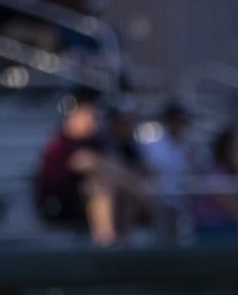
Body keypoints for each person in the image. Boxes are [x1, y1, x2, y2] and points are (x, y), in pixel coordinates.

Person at [34, 94, 137, 246]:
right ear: (73, 116)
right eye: (87, 114)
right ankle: (105, 241)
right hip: (60, 203)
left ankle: (125, 243)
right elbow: (74, 168)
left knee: (117, 185)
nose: (92, 120)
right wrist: (98, 163)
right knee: (100, 184)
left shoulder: (96, 142)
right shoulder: (59, 144)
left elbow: (112, 163)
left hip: (93, 200)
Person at [138, 100, 196, 242]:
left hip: (184, 205)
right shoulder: (153, 145)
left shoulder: (189, 147)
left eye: (181, 121)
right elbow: (148, 172)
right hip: (159, 204)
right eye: (175, 121)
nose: (179, 125)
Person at [191, 126, 238, 241]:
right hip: (212, 234)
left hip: (232, 230)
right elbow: (237, 211)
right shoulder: (214, 175)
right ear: (227, 150)